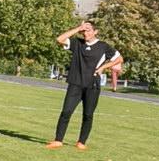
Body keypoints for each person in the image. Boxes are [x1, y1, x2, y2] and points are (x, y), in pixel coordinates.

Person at [51, 20, 123, 149]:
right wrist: (78, 28)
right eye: (84, 30)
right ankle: (58, 140)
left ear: (95, 32)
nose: (85, 33)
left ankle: (81, 142)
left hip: (92, 85)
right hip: (75, 83)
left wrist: (104, 67)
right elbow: (60, 39)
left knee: (88, 114)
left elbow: (119, 59)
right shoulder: (77, 43)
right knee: (66, 112)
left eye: (88, 30)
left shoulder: (103, 46)